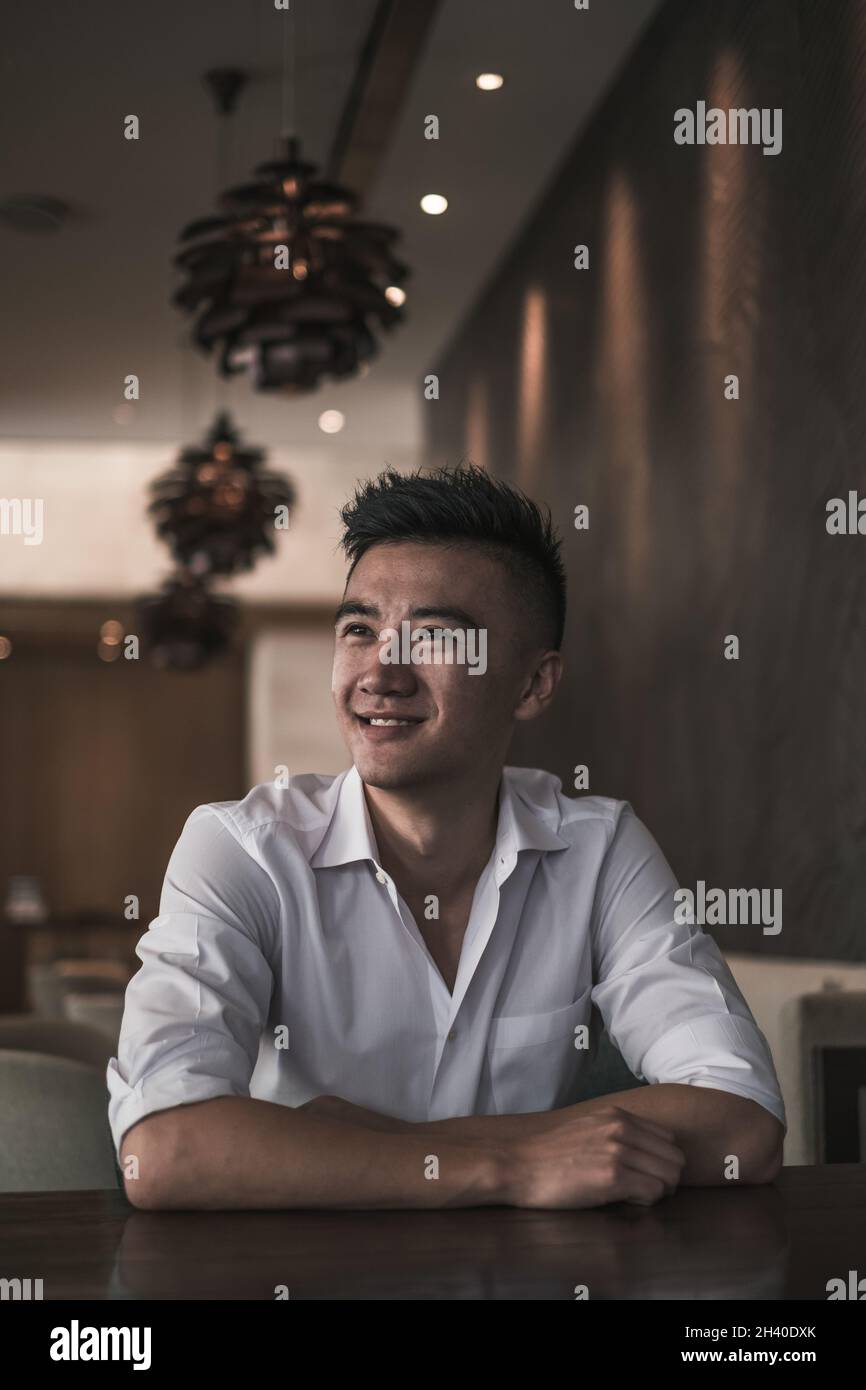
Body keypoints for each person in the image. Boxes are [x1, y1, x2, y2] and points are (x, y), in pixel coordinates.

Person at [109, 464, 785, 1211]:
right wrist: (514, 1167)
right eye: (359, 630)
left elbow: (741, 1120)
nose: (380, 673)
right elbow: (165, 1149)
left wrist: (363, 1144)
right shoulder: (242, 848)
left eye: (434, 638)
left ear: (533, 684)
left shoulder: (599, 850)